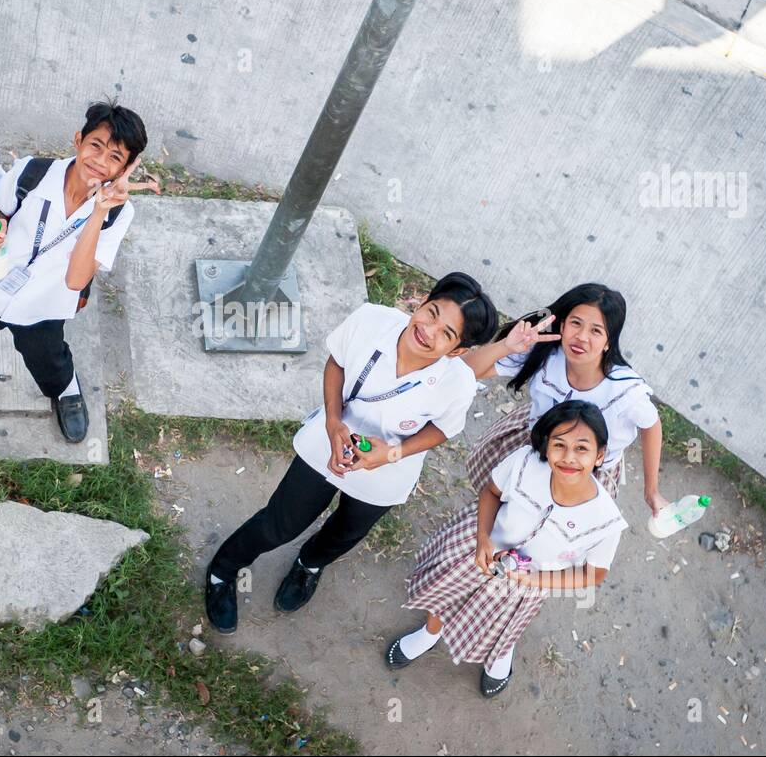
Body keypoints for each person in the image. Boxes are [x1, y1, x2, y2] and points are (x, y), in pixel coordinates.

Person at [203, 274, 503, 634]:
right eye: (432, 313)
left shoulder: (458, 383)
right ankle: (223, 570)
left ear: (457, 351)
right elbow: (337, 362)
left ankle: (308, 566)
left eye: (447, 333)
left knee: (345, 531)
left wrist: (394, 452)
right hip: (330, 438)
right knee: (280, 523)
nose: (428, 330)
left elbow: (442, 429)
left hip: (388, 469)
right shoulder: (371, 320)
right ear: (422, 302)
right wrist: (332, 421)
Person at [0, 101, 156, 445]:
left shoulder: (118, 214)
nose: (100, 162)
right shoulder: (33, 172)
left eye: (115, 157)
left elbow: (76, 280)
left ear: (127, 166)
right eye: (95, 146)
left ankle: (63, 389)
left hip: (45, 301)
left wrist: (98, 211)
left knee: (48, 355)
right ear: (78, 139)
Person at [386, 400, 627, 697]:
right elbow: (491, 492)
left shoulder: (605, 520)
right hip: (480, 549)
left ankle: (500, 654)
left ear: (600, 455)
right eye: (559, 444)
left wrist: (535, 581)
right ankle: (429, 633)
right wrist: (484, 538)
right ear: (546, 444)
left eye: (581, 448)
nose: (568, 458)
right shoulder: (526, 461)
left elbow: (594, 575)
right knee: (445, 594)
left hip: (528, 583)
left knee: (499, 624)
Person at [462, 283, 667, 515]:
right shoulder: (546, 353)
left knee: (547, 535)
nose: (581, 337)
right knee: (496, 500)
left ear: (609, 342)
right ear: (562, 324)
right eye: (575, 323)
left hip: (585, 469)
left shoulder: (625, 390)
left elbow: (651, 425)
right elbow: (467, 370)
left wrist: (652, 490)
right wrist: (505, 346)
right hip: (535, 440)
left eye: (596, 331)